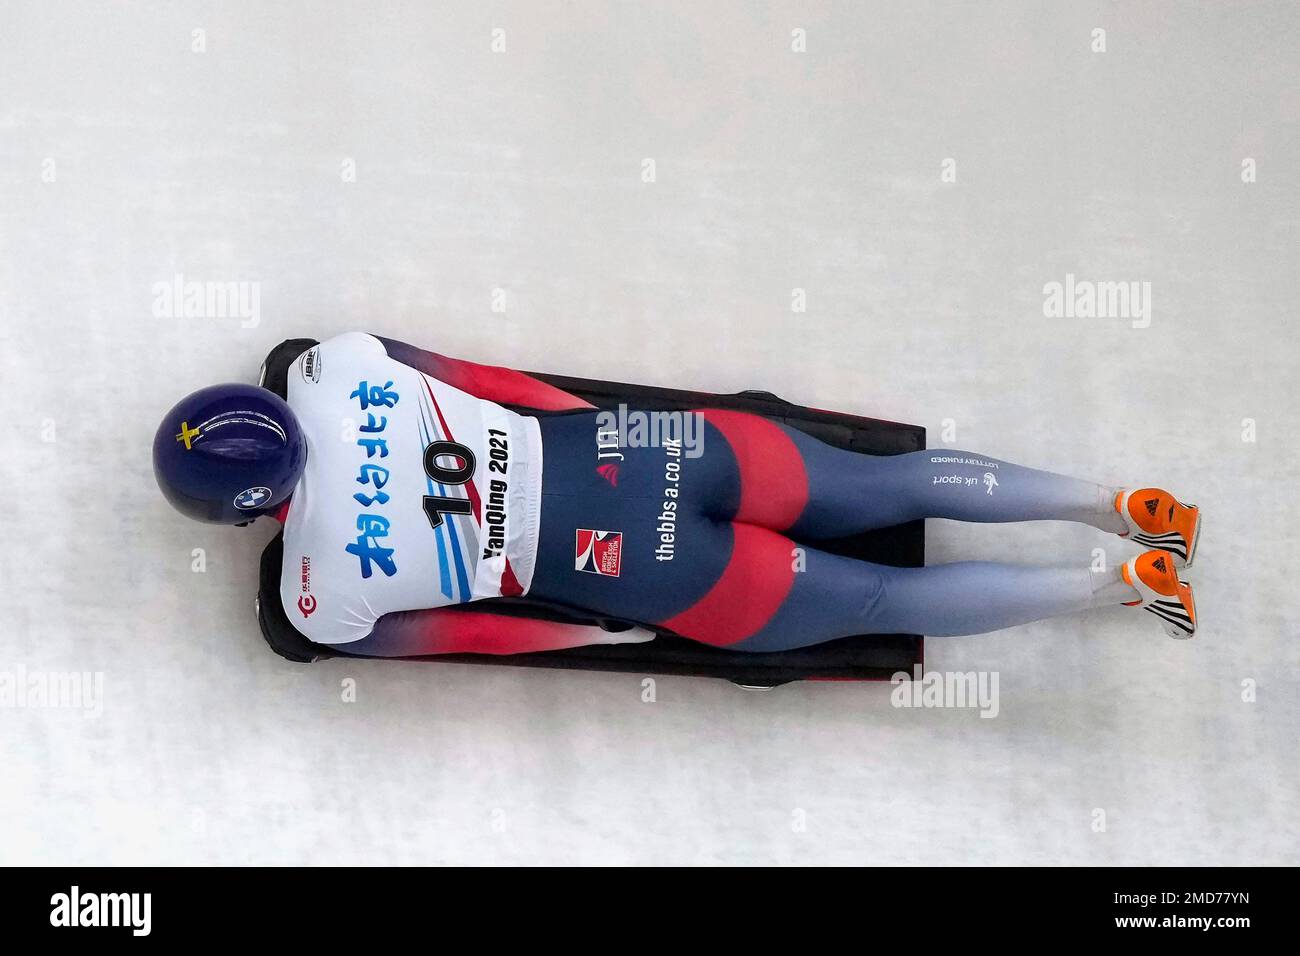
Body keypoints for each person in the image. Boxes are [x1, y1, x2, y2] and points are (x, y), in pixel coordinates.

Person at [153, 332, 1200, 656]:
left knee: (881, 606)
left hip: (656, 571)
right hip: (656, 447)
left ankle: (1118, 584)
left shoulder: (313, 589)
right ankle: (1113, 499)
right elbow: (448, 371)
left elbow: (442, 635)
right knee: (881, 483)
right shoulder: (334, 371)